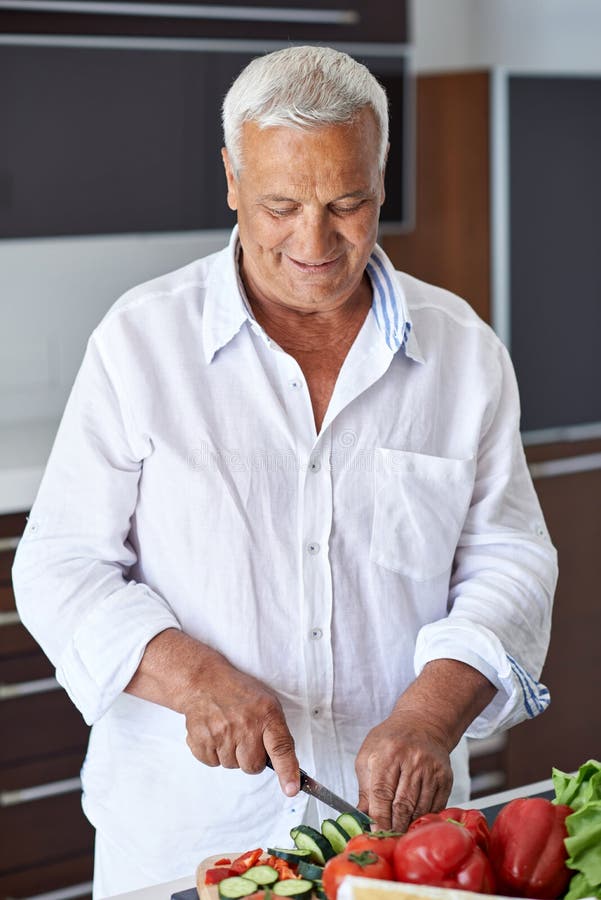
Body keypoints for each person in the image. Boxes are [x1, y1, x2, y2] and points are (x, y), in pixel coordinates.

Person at [12, 45, 557, 898]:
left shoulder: (463, 351)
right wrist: (191, 678)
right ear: (230, 178)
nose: (314, 241)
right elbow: (58, 566)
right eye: (278, 206)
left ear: (381, 179)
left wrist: (428, 713)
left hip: (397, 846)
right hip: (185, 834)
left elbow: (509, 561)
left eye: (346, 203)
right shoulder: (140, 343)